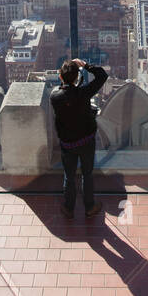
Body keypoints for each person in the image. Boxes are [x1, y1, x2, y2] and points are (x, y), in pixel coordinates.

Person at [49, 58, 107, 219]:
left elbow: (65, 95)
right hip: (86, 140)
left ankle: (69, 208)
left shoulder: (54, 96)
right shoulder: (83, 93)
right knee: (87, 174)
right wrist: (86, 65)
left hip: (67, 143)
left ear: (60, 76)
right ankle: (89, 207)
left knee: (69, 176)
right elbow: (102, 76)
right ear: (76, 78)